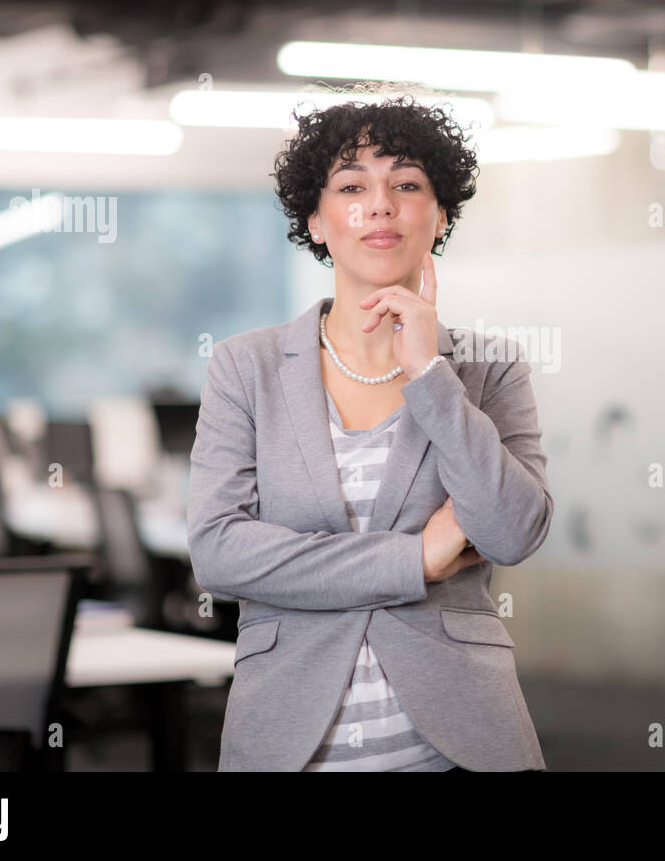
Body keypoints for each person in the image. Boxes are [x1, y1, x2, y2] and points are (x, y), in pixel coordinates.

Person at [187, 93, 552, 771]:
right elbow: (219, 551)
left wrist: (429, 373)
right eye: (352, 186)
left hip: (461, 747)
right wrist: (417, 558)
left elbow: (512, 531)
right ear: (316, 220)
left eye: (407, 184)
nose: (380, 204)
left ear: (439, 215)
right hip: (290, 742)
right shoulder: (247, 366)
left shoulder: (488, 366)